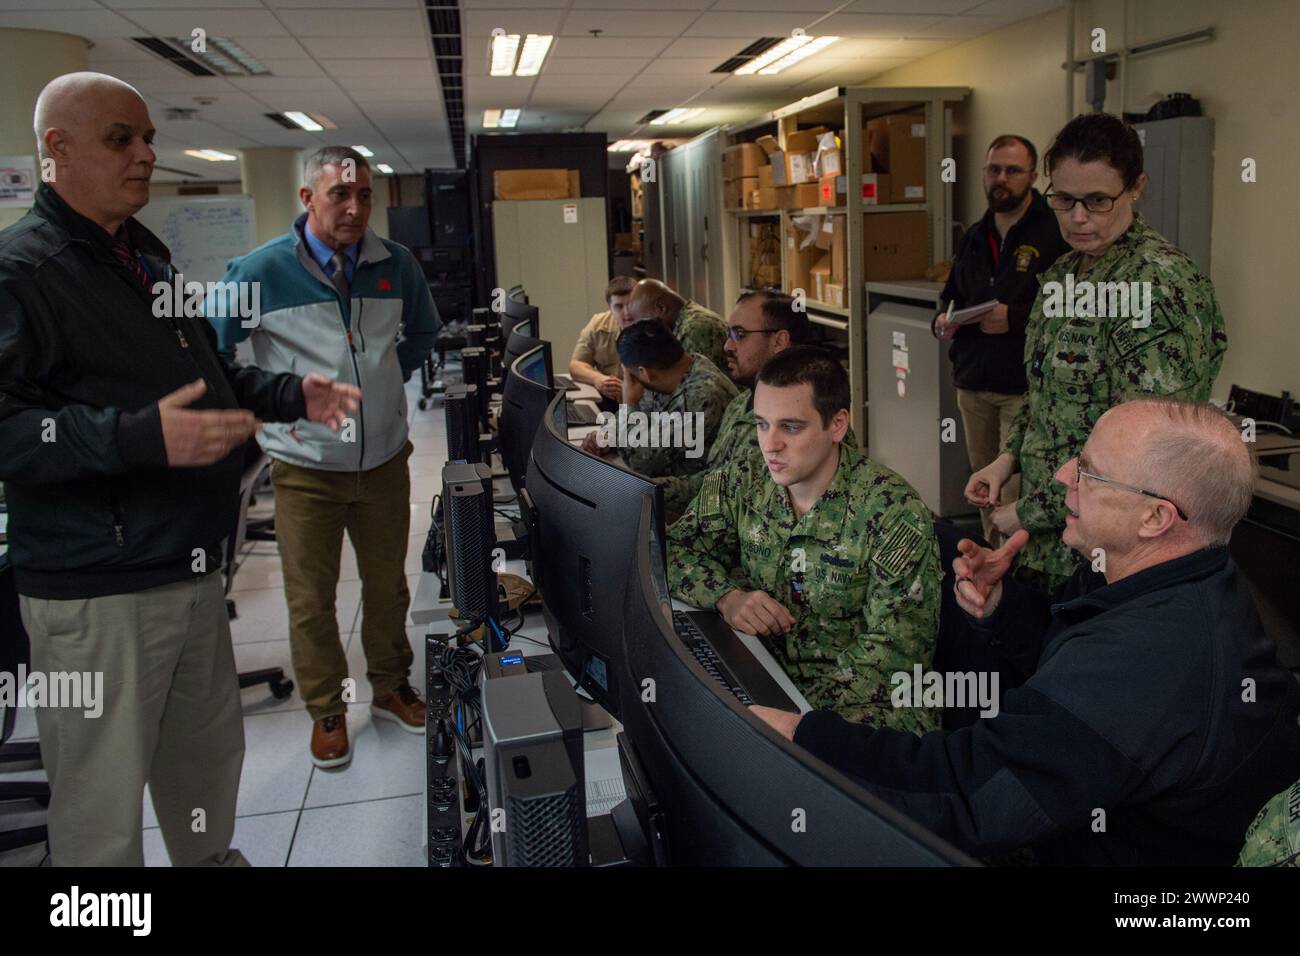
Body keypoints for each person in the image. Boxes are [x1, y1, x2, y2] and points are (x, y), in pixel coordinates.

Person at [0, 73, 359, 865]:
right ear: (56, 149)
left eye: (148, 137)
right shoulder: (23, 272)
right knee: (101, 810)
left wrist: (292, 392)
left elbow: (214, 382)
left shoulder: (144, 259)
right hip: (98, 588)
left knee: (202, 768)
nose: (146, 156)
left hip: (186, 567)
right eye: (120, 139)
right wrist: (136, 438)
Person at [753, 400, 1300, 866]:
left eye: (1089, 470)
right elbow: (1069, 665)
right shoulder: (1164, 576)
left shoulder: (1153, 659)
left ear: (1155, 518)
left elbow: (971, 796)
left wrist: (804, 738)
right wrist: (1004, 608)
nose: (1062, 475)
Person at [209, 146, 439, 769]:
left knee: (388, 585)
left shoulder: (395, 265)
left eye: (365, 194)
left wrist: (385, 391)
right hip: (305, 467)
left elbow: (421, 335)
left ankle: (391, 686)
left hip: (385, 460)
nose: (355, 207)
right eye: (340, 194)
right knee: (311, 598)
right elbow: (213, 353)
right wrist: (268, 406)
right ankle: (327, 710)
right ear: (308, 199)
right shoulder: (260, 272)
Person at [965, 112, 1228, 592]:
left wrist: (1026, 511)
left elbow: (1145, 454)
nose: (1079, 218)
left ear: (1136, 188)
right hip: (1049, 544)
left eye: (1098, 201)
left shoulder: (1157, 285)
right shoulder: (1066, 272)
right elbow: (1046, 391)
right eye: (1064, 200)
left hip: (1109, 555)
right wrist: (1008, 459)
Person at [669, 347, 940, 732]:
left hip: (863, 714)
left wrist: (794, 715)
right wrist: (727, 598)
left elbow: (894, 655)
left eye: (791, 427)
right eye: (762, 424)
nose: (770, 444)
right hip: (765, 678)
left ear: (838, 425)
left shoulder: (893, 510)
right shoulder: (742, 478)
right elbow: (672, 548)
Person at [933, 135, 1069, 545]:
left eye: (1012, 171)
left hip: (1022, 386)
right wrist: (942, 319)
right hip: (974, 381)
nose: (1001, 179)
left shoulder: (1054, 233)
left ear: (1031, 177)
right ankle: (994, 560)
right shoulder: (975, 236)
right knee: (983, 484)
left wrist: (1015, 318)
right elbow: (951, 293)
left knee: (1011, 491)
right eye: (994, 170)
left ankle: (1012, 568)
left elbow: (1069, 307)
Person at [659, 289, 809, 514]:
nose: (727, 346)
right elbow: (714, 482)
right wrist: (649, 489)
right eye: (729, 334)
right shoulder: (740, 404)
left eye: (740, 334)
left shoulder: (805, 420)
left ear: (779, 341)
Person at [582, 320, 735, 488]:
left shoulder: (702, 395)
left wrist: (628, 403)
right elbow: (645, 416)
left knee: (608, 489)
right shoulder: (672, 370)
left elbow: (640, 462)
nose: (629, 382)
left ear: (643, 373)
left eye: (629, 375)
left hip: (704, 489)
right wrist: (608, 435)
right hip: (671, 473)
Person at [624, 277, 728, 377]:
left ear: (661, 308)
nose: (646, 330)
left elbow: (690, 384)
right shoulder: (685, 322)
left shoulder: (695, 328)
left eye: (646, 322)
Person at [569, 275, 636, 401]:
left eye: (631, 304)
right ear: (610, 308)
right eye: (619, 306)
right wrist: (598, 379)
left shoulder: (654, 329)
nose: (627, 312)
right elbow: (576, 365)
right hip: (610, 399)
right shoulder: (599, 324)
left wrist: (627, 390)